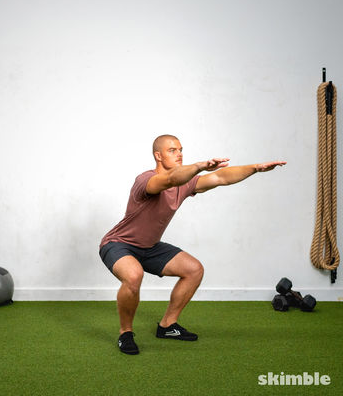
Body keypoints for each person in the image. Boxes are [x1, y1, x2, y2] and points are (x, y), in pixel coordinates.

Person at [99, 134, 286, 355]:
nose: (179, 154)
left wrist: (255, 168)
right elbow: (170, 180)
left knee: (194, 270)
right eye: (172, 150)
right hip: (119, 244)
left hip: (149, 247)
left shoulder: (185, 183)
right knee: (133, 276)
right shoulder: (146, 179)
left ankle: (167, 325)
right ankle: (126, 333)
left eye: (180, 150)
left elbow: (220, 177)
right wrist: (199, 166)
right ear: (158, 156)